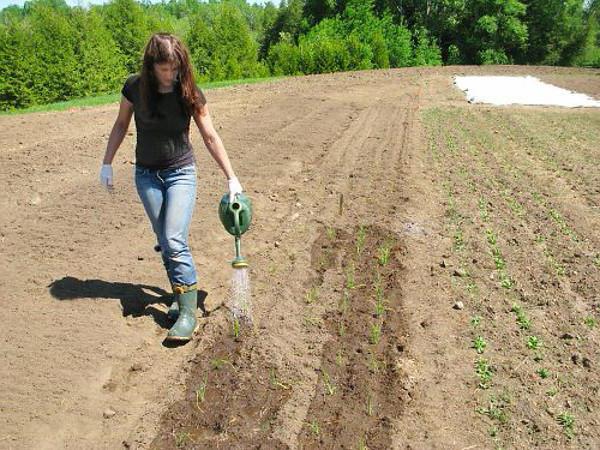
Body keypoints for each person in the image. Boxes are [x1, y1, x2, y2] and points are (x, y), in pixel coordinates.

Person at [99, 32, 244, 342]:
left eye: (175, 68)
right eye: (164, 69)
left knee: (173, 238)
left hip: (181, 172)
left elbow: (209, 136)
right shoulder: (134, 88)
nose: (170, 75)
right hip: (146, 175)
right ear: (151, 66)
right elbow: (122, 124)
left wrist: (231, 177)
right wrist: (107, 162)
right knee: (164, 241)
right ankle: (179, 296)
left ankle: (189, 314)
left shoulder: (188, 91)